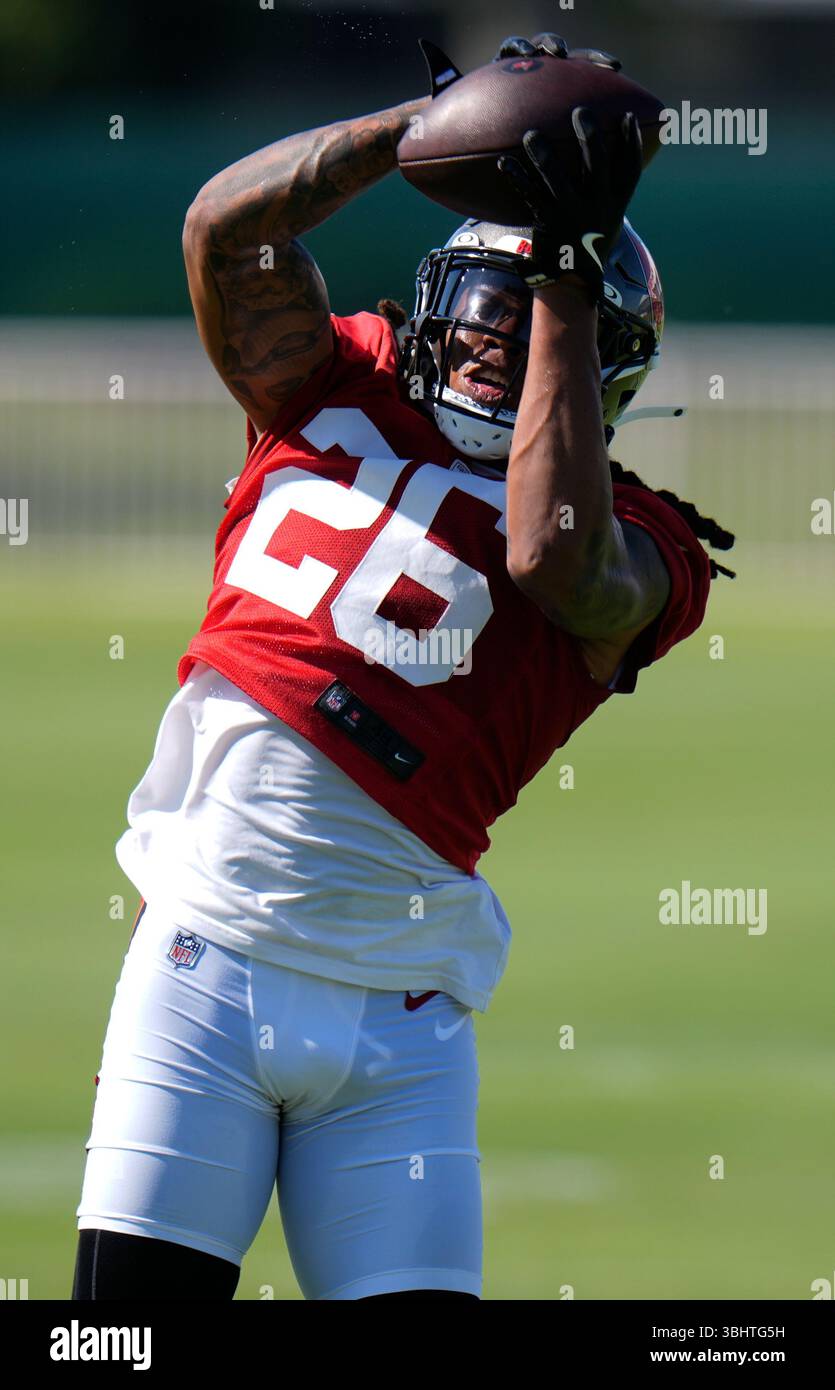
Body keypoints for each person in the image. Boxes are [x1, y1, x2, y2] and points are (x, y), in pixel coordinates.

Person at [72, 34, 734, 1302]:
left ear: (605, 358)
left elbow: (550, 556)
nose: (495, 339)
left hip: (404, 1018)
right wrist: (435, 121)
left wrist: (562, 271)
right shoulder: (337, 379)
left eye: (537, 317)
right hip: (205, 962)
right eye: (482, 307)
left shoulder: (639, 538)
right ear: (435, 300)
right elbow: (224, 229)